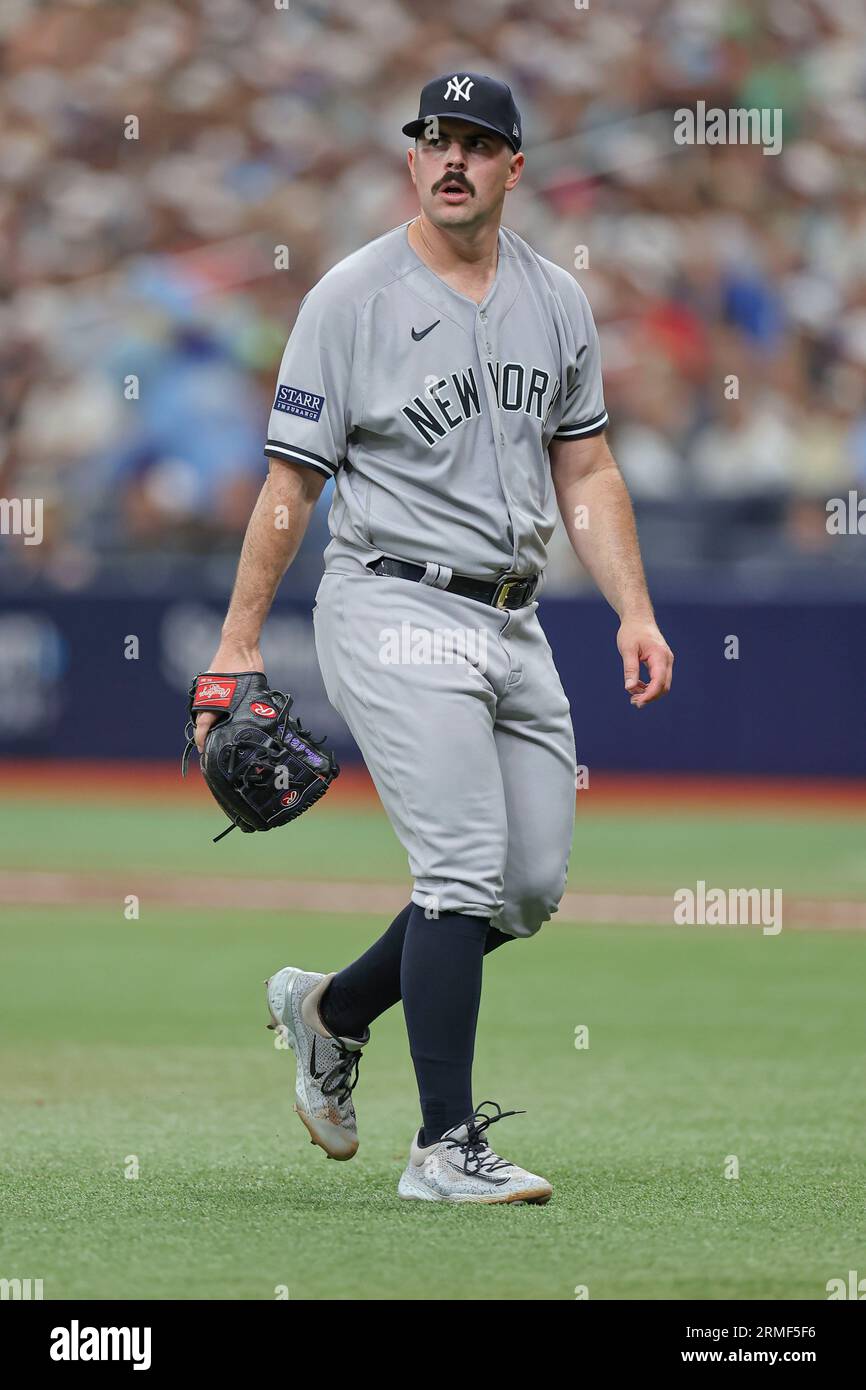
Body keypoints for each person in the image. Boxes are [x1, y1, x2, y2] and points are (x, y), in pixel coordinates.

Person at [193, 72, 673, 1204]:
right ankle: (442, 1148)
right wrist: (237, 639)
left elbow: (587, 466)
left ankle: (329, 1011)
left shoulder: (556, 299)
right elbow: (287, 486)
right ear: (411, 161)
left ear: (514, 167)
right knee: (458, 864)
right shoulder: (349, 297)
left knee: (525, 885)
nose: (451, 157)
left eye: (476, 141)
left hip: (514, 612)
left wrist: (634, 607)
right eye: (433, 139)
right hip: (393, 600)